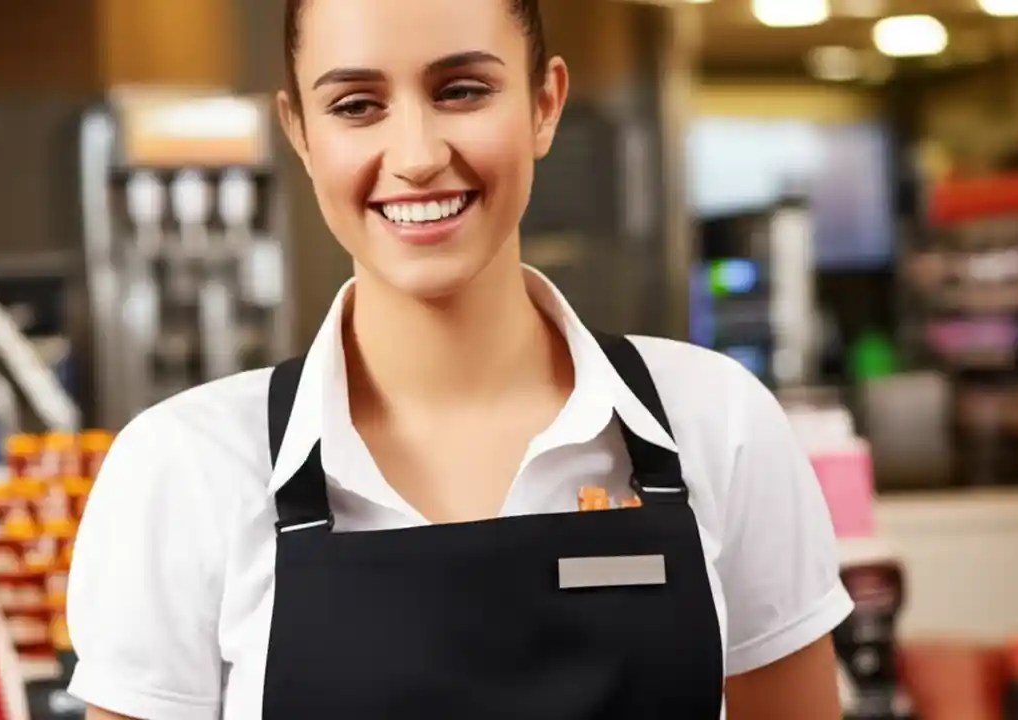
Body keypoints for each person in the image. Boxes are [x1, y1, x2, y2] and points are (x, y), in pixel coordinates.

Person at [68, 0, 853, 717]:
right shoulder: (186, 468)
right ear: (301, 133)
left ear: (545, 104)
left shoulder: (715, 421)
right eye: (356, 105)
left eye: (463, 91)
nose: (416, 155)